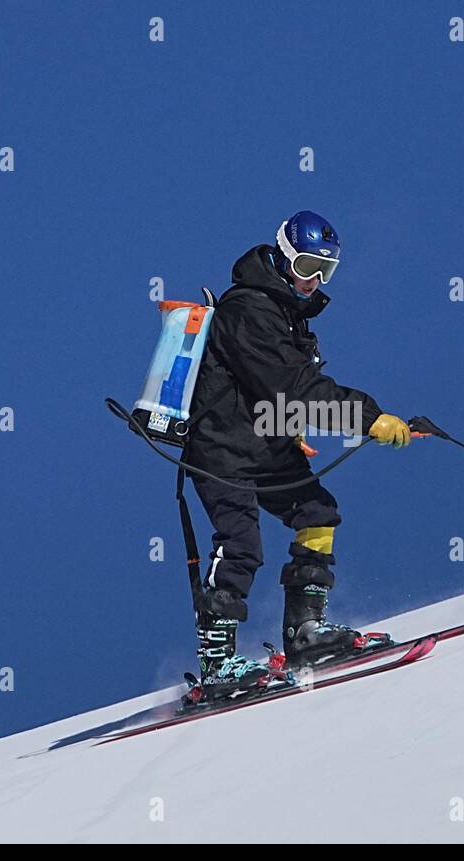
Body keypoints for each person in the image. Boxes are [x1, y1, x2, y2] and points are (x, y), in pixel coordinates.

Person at [182, 210, 412, 697]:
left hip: (263, 442)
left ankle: (305, 632)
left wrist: (287, 428)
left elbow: (265, 392)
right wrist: (368, 417)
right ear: (284, 257)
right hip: (221, 449)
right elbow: (293, 386)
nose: (313, 281)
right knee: (241, 543)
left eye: (324, 272)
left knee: (317, 513)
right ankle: (218, 663)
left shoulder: (285, 312)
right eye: (307, 266)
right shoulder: (249, 309)